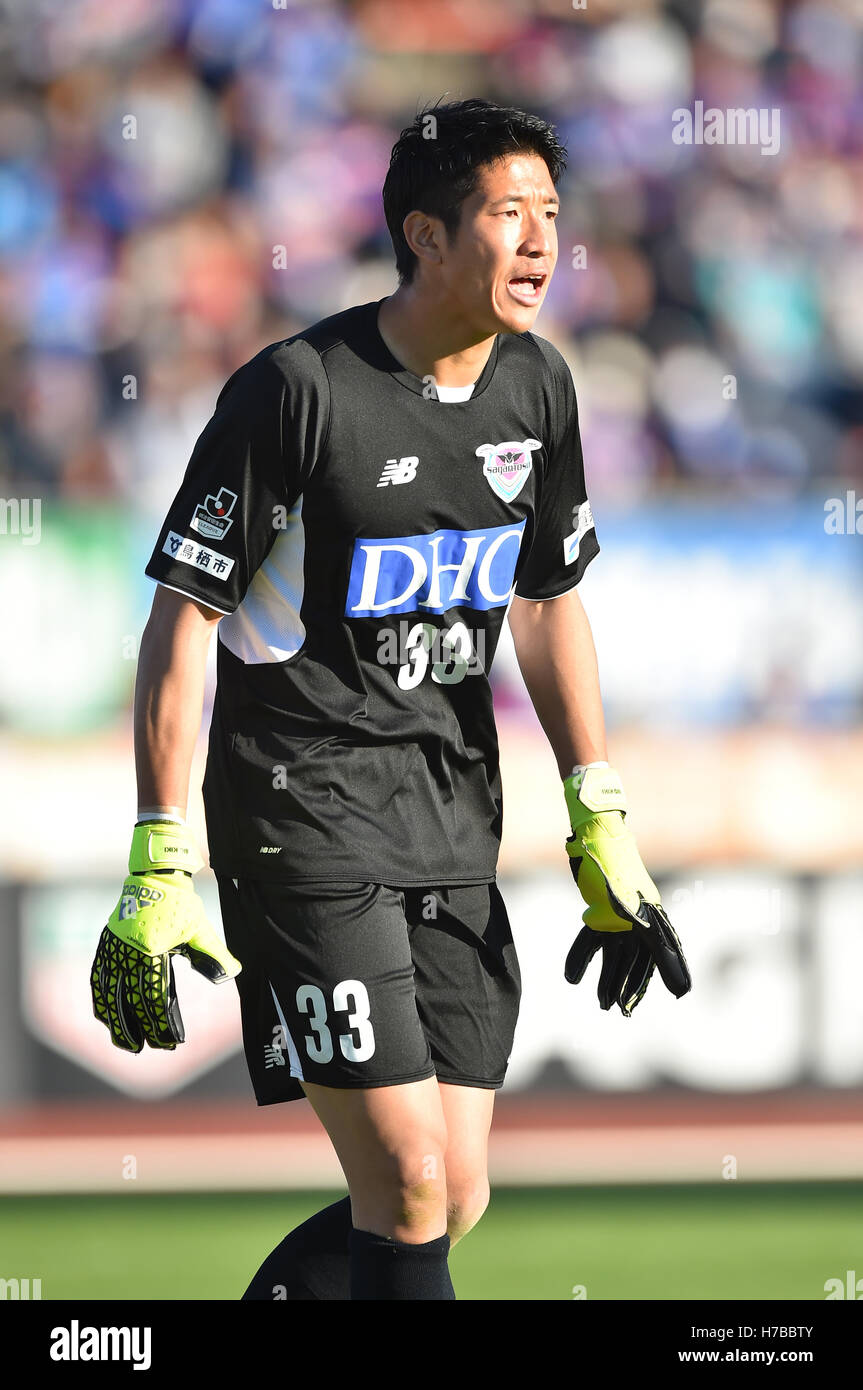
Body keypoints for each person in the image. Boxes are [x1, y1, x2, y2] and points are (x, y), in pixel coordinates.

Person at [90, 98, 690, 1302]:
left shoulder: (538, 387)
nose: (539, 243)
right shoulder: (296, 388)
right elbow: (183, 612)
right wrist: (161, 851)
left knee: (450, 1193)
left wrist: (596, 805)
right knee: (409, 1180)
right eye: (508, 213)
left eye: (551, 217)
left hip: (449, 820)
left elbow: (543, 600)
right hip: (300, 816)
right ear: (423, 234)